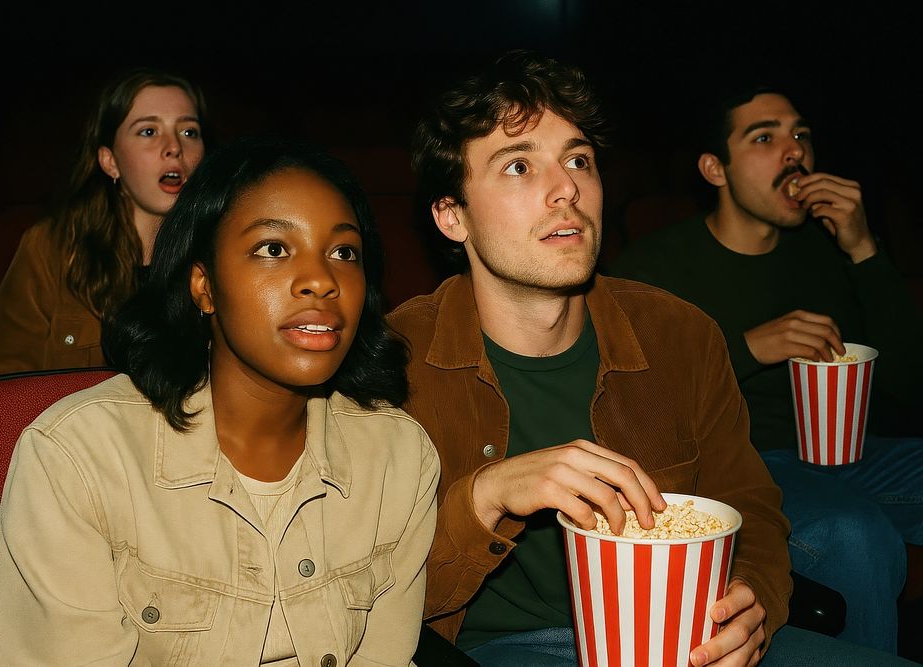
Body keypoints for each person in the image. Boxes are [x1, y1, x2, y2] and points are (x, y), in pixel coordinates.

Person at [389, 50, 916, 666]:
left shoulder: (679, 332)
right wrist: (486, 496)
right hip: (510, 650)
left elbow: (751, 503)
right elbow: (366, 591)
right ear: (453, 217)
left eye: (579, 159)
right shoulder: (395, 363)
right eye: (518, 166)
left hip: (688, 629)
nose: (567, 188)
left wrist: (756, 598)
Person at [0, 136, 440, 665]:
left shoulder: (398, 456)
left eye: (344, 252)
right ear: (203, 286)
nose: (322, 280)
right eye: (273, 249)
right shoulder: (79, 457)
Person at [608, 83, 923, 654]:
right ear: (715, 169)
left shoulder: (829, 250)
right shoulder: (654, 266)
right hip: (749, 465)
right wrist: (746, 347)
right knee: (857, 533)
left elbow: (909, 383)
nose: (794, 152)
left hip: (856, 454)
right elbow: (637, 408)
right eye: (764, 137)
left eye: (801, 134)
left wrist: (863, 250)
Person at [0, 66, 208, 381]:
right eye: (149, 131)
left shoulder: (222, 251)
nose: (175, 146)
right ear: (110, 162)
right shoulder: (54, 248)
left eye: (189, 132)